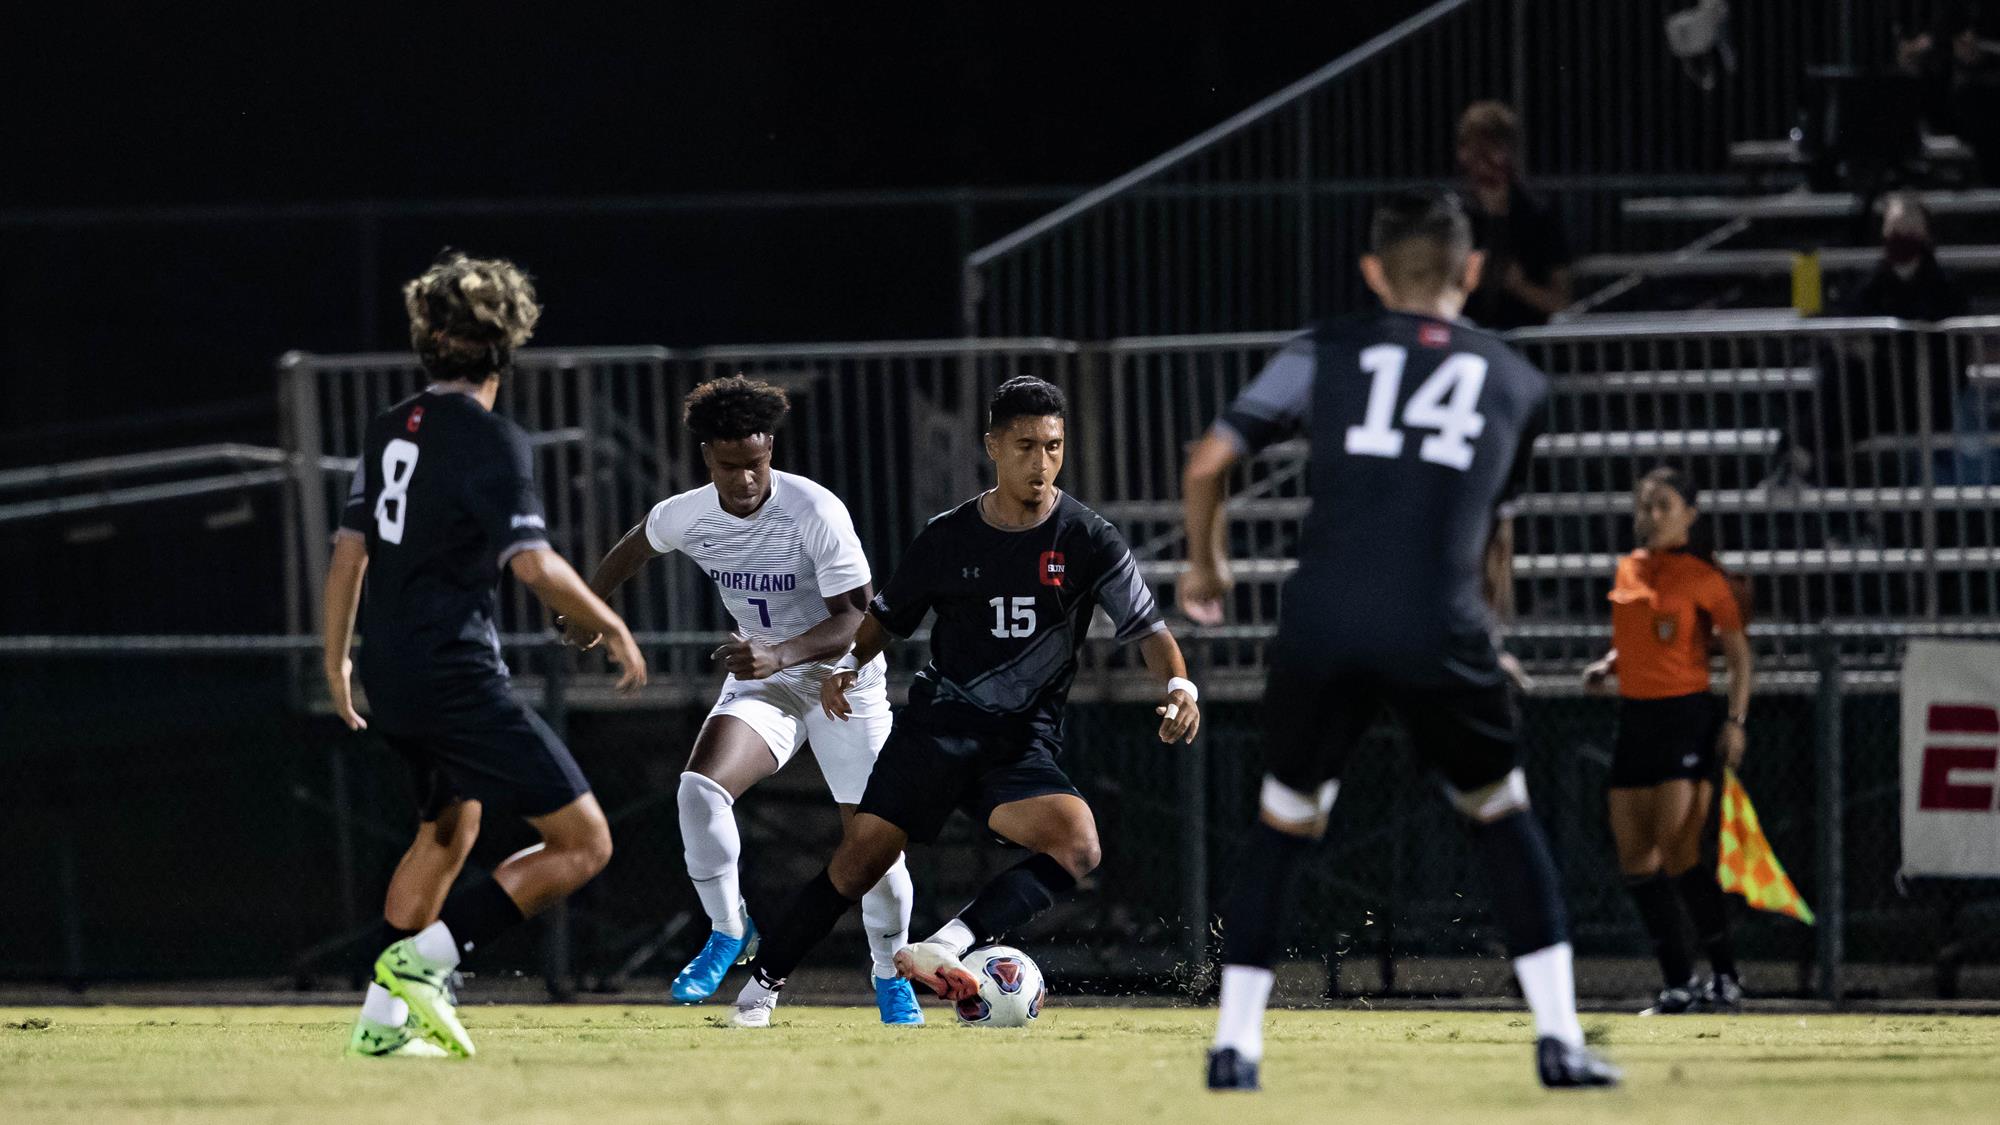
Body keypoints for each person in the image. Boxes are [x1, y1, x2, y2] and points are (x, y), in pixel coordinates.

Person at [1181, 190, 1618, 1091]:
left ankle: (1236, 1044)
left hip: (1325, 616)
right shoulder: (1519, 382)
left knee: (1285, 818)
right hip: (1439, 621)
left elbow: (1209, 461)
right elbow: (1491, 528)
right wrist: (1483, 635)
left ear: (1374, 273)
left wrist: (1208, 567)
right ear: (1471, 270)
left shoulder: (1323, 351)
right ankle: (1559, 1036)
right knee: (1501, 811)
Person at [724, 375, 1202, 1028]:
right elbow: (885, 616)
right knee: (856, 864)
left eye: (1054, 446)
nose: (1042, 463)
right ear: (993, 447)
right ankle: (762, 986)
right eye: (1026, 445)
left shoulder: (1088, 539)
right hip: (936, 731)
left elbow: (1149, 630)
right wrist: (849, 663)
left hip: (1019, 744)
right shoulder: (948, 536)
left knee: (1078, 844)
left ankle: (948, 944)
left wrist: (1178, 684)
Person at [323, 251, 648, 1059]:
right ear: (509, 342)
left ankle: (382, 1025)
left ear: (424, 339)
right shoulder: (493, 440)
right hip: (453, 675)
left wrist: (337, 662)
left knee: (447, 829)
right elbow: (533, 564)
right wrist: (610, 620)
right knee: (585, 841)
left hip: (393, 670)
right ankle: (422, 962)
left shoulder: (388, 425)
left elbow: (347, 555)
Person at [563, 375, 922, 1025]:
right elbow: (636, 545)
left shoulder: (815, 511)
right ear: (707, 457)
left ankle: (889, 971)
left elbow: (861, 618)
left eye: (756, 463)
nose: (747, 479)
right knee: (698, 789)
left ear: (771, 450)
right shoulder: (690, 512)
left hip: (847, 681)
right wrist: (589, 606)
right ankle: (730, 931)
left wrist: (780, 653)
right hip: (767, 680)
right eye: (731, 467)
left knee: (872, 845)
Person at [1581, 466, 1754, 1015]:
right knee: (1635, 856)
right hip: (1636, 718)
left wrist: (1735, 720)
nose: (1652, 515)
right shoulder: (1629, 567)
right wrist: (1610, 664)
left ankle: (1725, 976)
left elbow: (1739, 656)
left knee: (1678, 850)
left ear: (1689, 515)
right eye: (1646, 505)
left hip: (1685, 717)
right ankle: (1678, 981)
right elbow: (1636, 637)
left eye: (1664, 505)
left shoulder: (1704, 577)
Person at [1456, 101, 1573, 330]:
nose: (1484, 165)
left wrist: (1519, 286)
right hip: (1469, 344)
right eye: (1476, 152)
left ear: (1509, 153)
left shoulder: (1539, 214)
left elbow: (1561, 301)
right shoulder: (1454, 216)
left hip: (1526, 345)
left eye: (1491, 151)